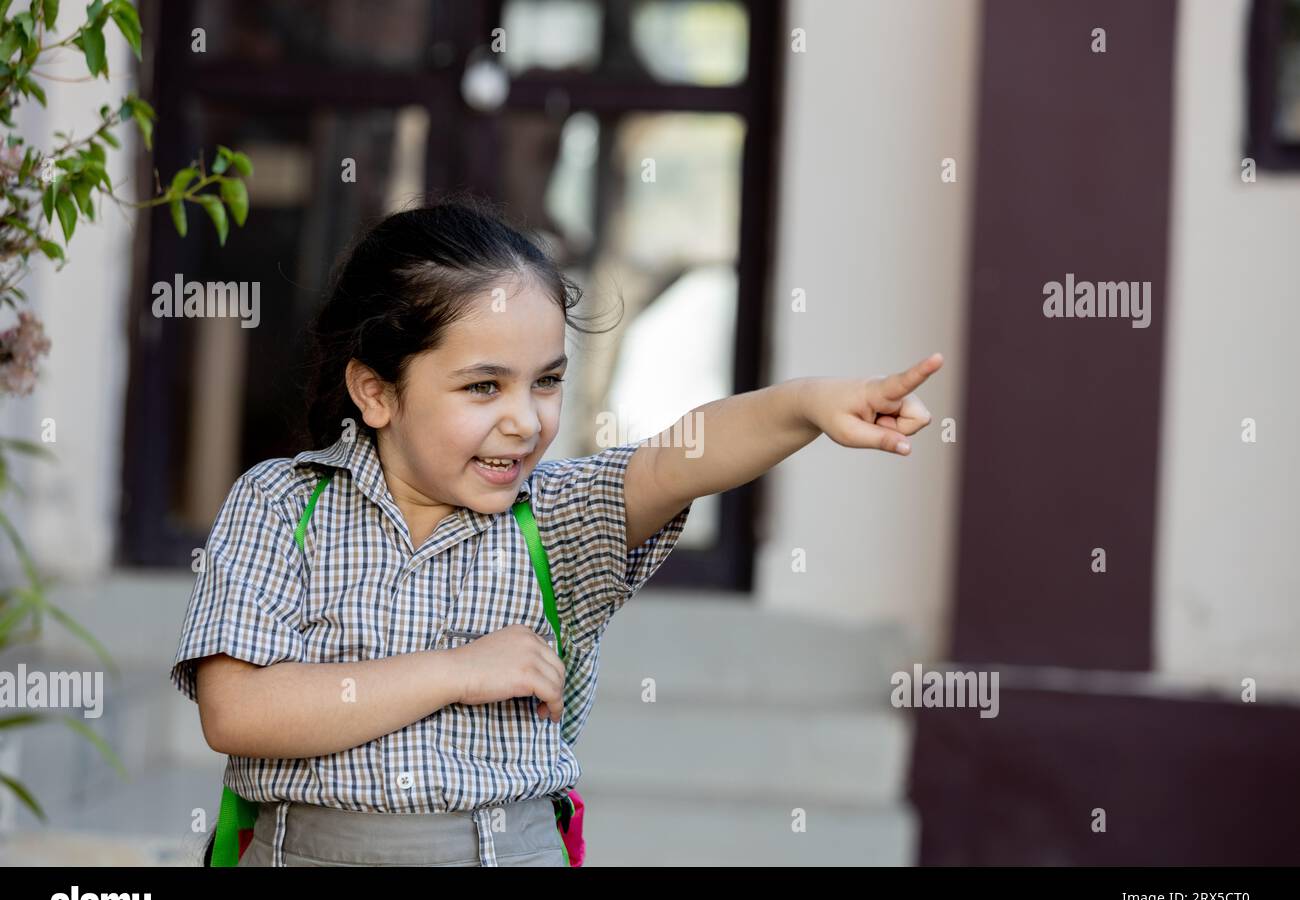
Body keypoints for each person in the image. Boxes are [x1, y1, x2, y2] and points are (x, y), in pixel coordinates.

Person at [169, 195, 942, 866]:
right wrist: (459, 671)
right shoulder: (280, 505)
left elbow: (680, 460)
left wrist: (804, 405)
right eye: (483, 386)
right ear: (376, 391)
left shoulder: (560, 520)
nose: (525, 420)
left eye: (547, 381)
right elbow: (237, 713)